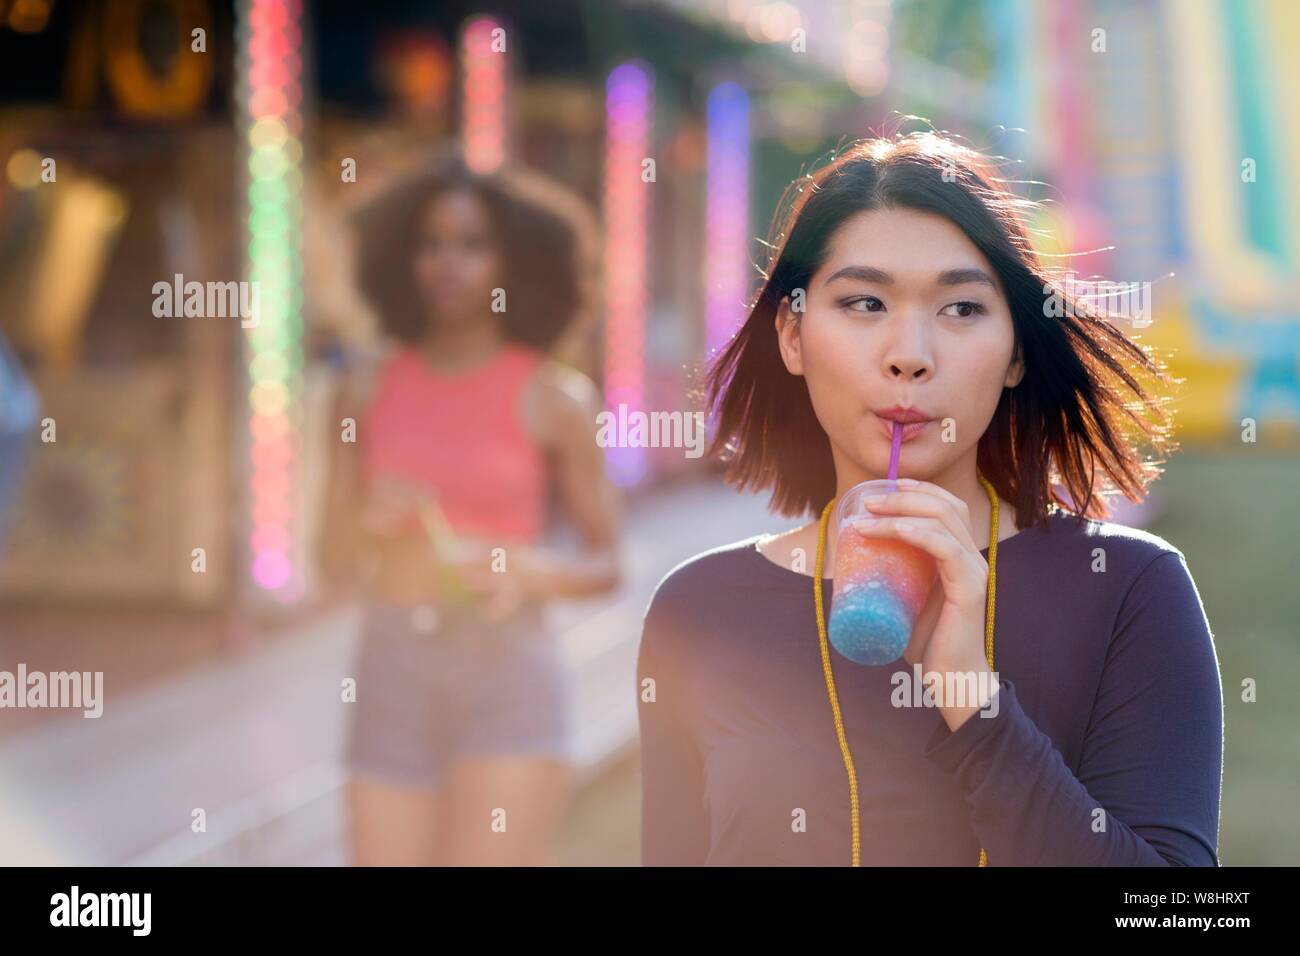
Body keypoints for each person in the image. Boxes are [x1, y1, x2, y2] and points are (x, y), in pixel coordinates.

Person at [636, 131, 1223, 866]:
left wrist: (974, 702)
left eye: (961, 309)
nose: (909, 353)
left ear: (1014, 352)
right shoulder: (699, 608)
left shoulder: (1129, 590)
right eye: (865, 302)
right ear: (792, 334)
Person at [320, 149, 621, 866]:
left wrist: (525, 569)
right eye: (431, 244)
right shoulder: (362, 391)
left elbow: (609, 563)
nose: (448, 264)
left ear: (510, 261)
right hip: (392, 662)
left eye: (472, 245)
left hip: (509, 669)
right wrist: (362, 523)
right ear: (403, 257)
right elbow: (325, 562)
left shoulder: (555, 399)